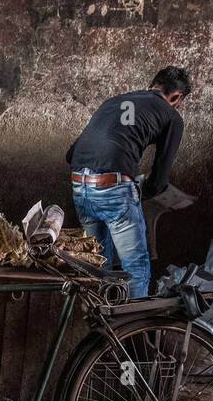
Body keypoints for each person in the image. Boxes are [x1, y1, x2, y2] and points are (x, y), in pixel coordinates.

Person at [66, 66, 190, 297]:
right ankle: (132, 328)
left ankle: (103, 327)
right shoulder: (172, 115)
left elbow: (70, 155)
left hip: (79, 184)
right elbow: (161, 173)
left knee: (97, 263)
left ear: (153, 85)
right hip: (114, 189)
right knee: (136, 267)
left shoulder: (114, 101)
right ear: (176, 97)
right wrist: (151, 193)